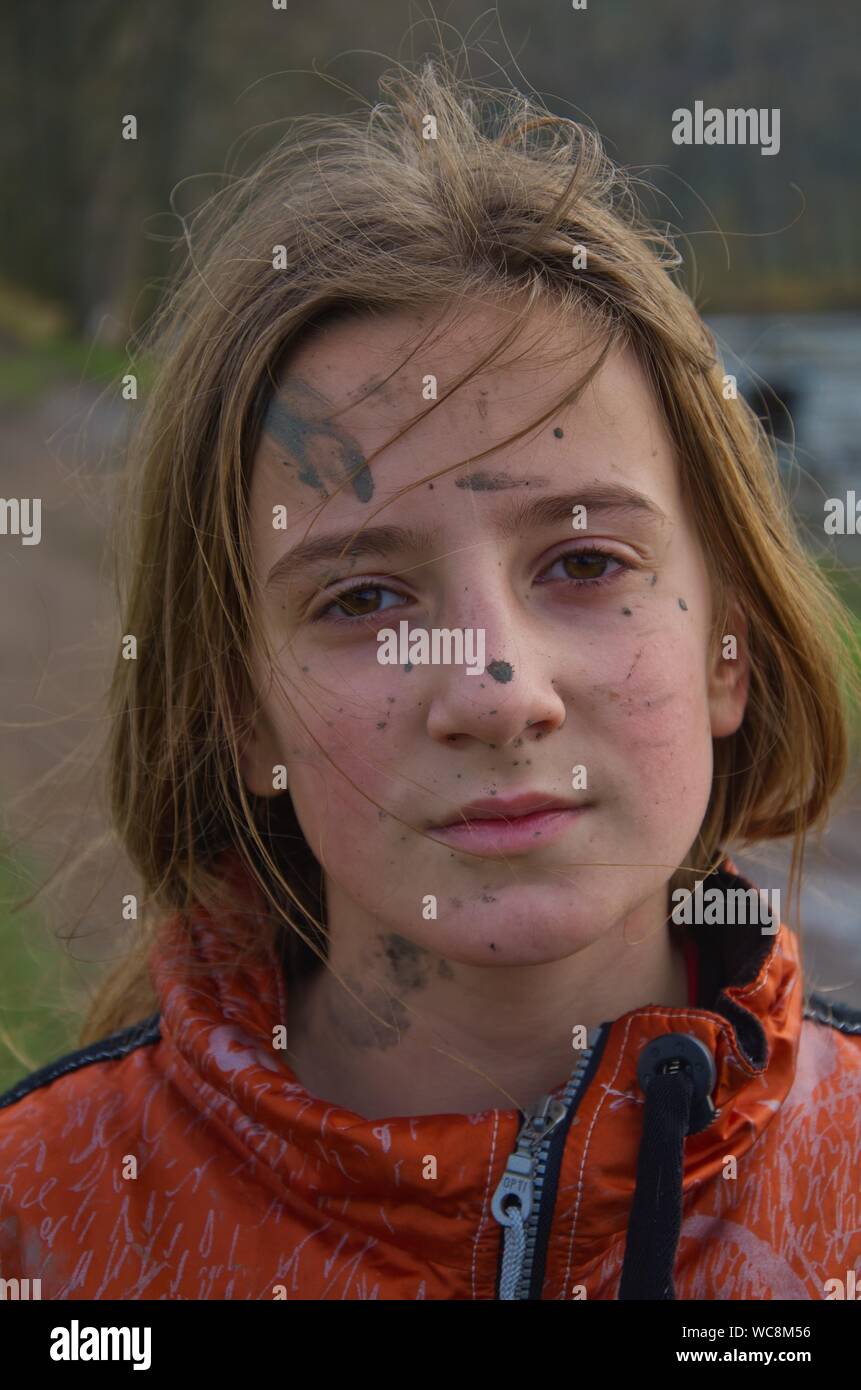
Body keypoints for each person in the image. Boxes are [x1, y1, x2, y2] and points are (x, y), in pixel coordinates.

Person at [1, 54, 859, 1302]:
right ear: (242, 712)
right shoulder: (42, 1232)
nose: (499, 691)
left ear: (726, 642)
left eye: (582, 561)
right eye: (362, 597)